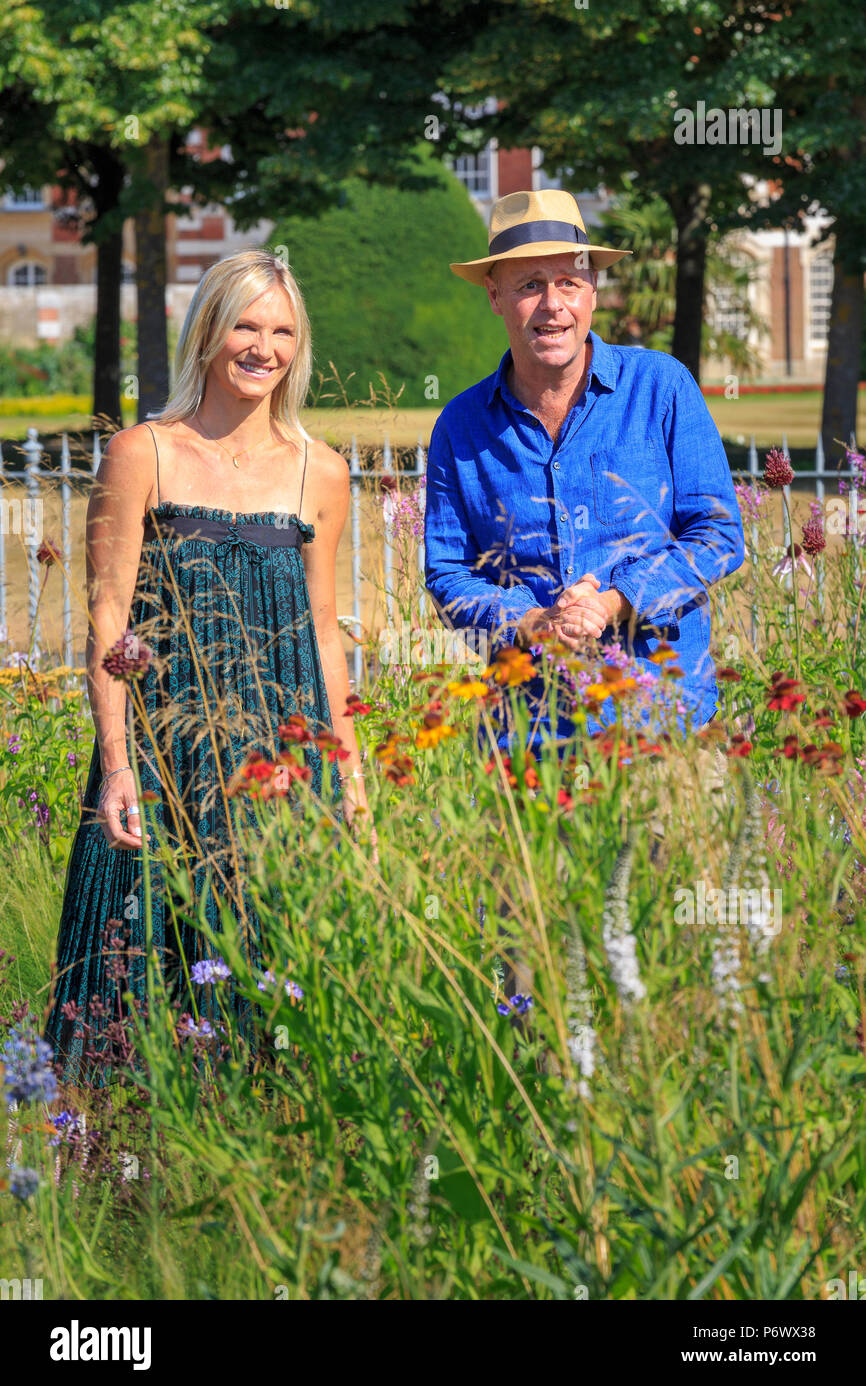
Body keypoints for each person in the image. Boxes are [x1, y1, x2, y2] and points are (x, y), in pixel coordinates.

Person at [46, 248, 370, 1083]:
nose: (264, 348)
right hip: (163, 753)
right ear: (209, 332)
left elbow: (326, 637)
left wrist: (351, 778)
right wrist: (116, 766)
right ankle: (124, 1186)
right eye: (246, 326)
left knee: (280, 972)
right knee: (136, 966)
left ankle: (269, 1171)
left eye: (283, 332)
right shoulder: (141, 453)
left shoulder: (320, 471)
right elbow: (107, 619)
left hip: (282, 764)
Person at [424, 188, 745, 757]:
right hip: (529, 739)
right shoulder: (460, 427)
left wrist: (615, 601)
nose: (553, 305)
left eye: (569, 282)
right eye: (529, 285)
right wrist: (528, 623)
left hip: (663, 725)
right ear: (495, 297)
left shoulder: (662, 388)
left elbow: (719, 534)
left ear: (593, 290)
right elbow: (448, 571)